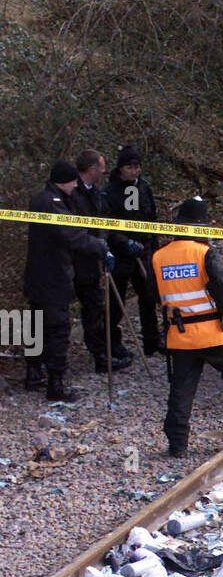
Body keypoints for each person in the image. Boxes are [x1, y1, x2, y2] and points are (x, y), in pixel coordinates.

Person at [151, 196, 223, 457]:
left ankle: (177, 445)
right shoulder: (205, 253)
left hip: (180, 336)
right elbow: (219, 285)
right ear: (201, 225)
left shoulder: (159, 257)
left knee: (181, 389)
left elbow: (155, 295)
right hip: (214, 334)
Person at [23, 160, 114, 402]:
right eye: (73, 181)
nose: (76, 185)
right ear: (65, 180)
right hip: (52, 277)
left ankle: (34, 372)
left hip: (40, 274)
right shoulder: (51, 203)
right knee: (56, 329)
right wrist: (100, 247)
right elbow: (71, 234)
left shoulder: (44, 199)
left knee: (37, 324)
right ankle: (56, 383)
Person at [69, 149, 132, 372]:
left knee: (95, 308)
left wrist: (109, 246)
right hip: (72, 260)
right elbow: (76, 231)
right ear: (92, 169)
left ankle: (100, 354)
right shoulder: (71, 193)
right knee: (60, 312)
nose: (104, 172)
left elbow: (104, 223)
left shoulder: (95, 194)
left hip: (92, 259)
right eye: (101, 167)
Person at [105, 144, 160, 356]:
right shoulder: (109, 192)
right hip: (121, 254)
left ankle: (152, 340)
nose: (134, 170)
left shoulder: (144, 188)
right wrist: (123, 242)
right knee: (115, 301)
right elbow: (107, 224)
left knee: (148, 297)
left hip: (143, 251)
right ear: (120, 168)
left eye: (137, 166)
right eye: (129, 167)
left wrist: (153, 248)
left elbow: (151, 218)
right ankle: (113, 343)